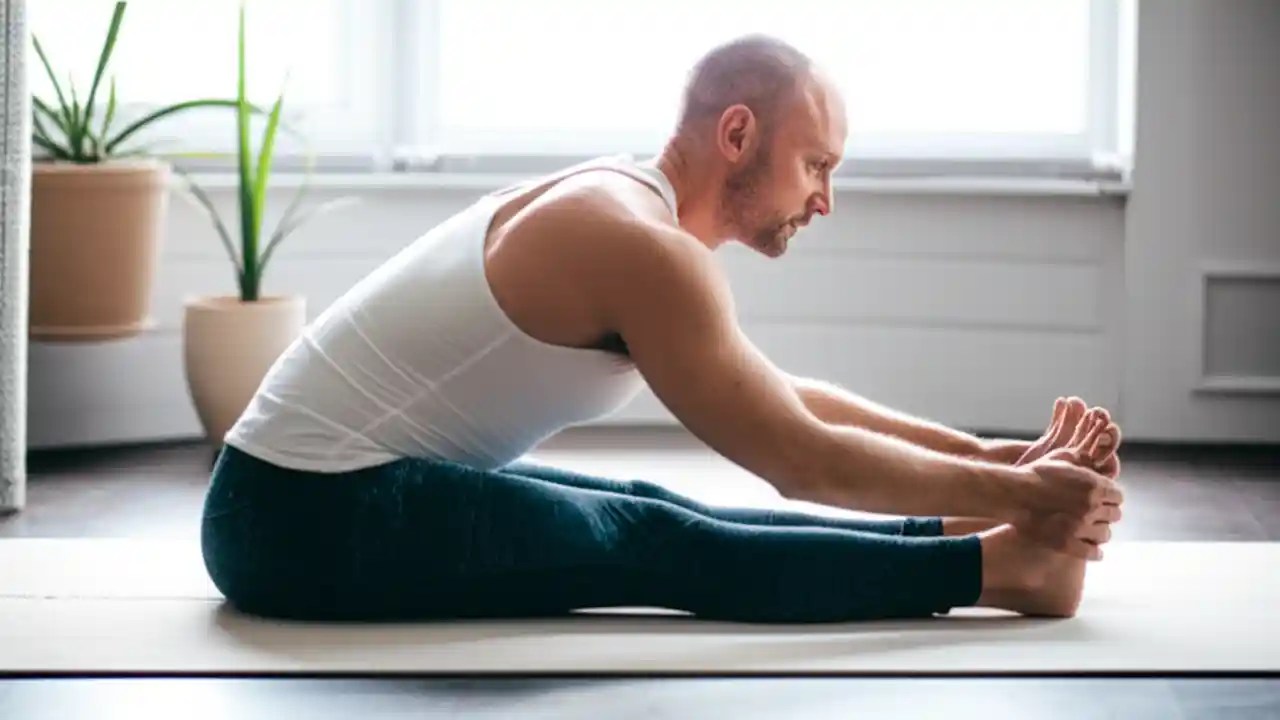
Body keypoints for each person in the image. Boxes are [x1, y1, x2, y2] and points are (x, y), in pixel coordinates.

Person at [201, 34, 1125, 623]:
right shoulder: (639, 246)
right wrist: (1028, 497)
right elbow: (800, 459)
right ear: (737, 135)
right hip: (294, 517)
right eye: (815, 165)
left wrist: (993, 464)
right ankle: (1002, 571)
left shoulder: (624, 204)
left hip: (308, 488)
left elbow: (777, 396)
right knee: (651, 541)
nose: (825, 200)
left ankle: (969, 532)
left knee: (655, 504)